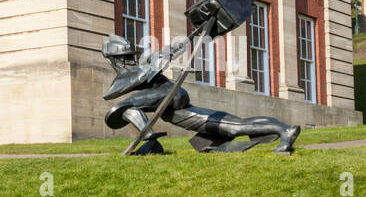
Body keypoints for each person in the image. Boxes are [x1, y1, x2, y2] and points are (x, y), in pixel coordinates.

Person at [102, 33, 300, 155]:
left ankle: (149, 137)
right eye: (125, 57)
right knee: (237, 126)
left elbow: (157, 59)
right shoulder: (130, 75)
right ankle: (284, 129)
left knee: (124, 106)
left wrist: (169, 52)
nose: (128, 60)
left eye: (128, 57)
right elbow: (114, 91)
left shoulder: (142, 67)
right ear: (115, 60)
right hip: (180, 107)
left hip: (171, 96)